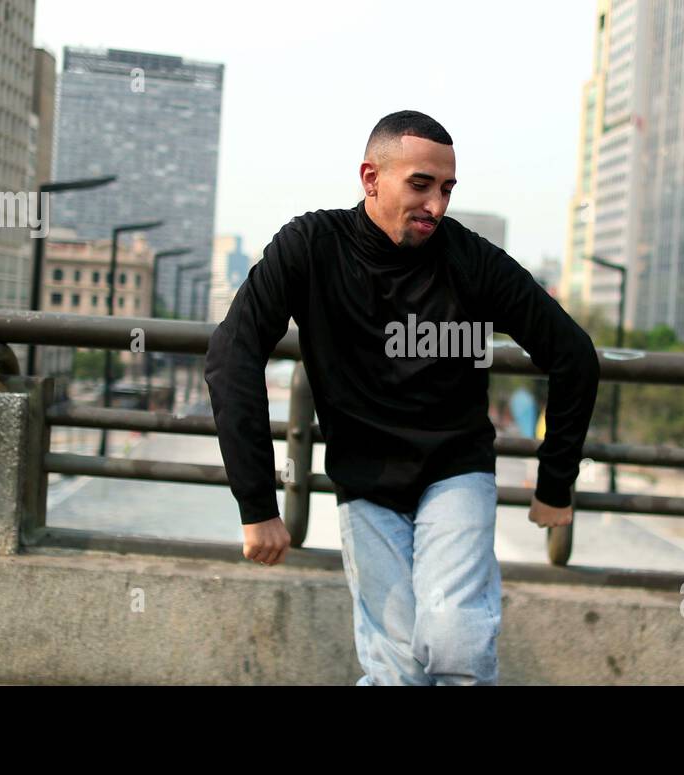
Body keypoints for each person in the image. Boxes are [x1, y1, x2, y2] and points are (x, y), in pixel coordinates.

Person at [204, 110, 600, 685]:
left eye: (446, 189)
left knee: (457, 646)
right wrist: (257, 505)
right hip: (364, 481)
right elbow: (232, 356)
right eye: (421, 185)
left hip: (455, 472)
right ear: (370, 178)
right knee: (397, 672)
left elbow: (573, 355)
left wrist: (555, 482)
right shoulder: (310, 246)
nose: (436, 205)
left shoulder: (471, 258)